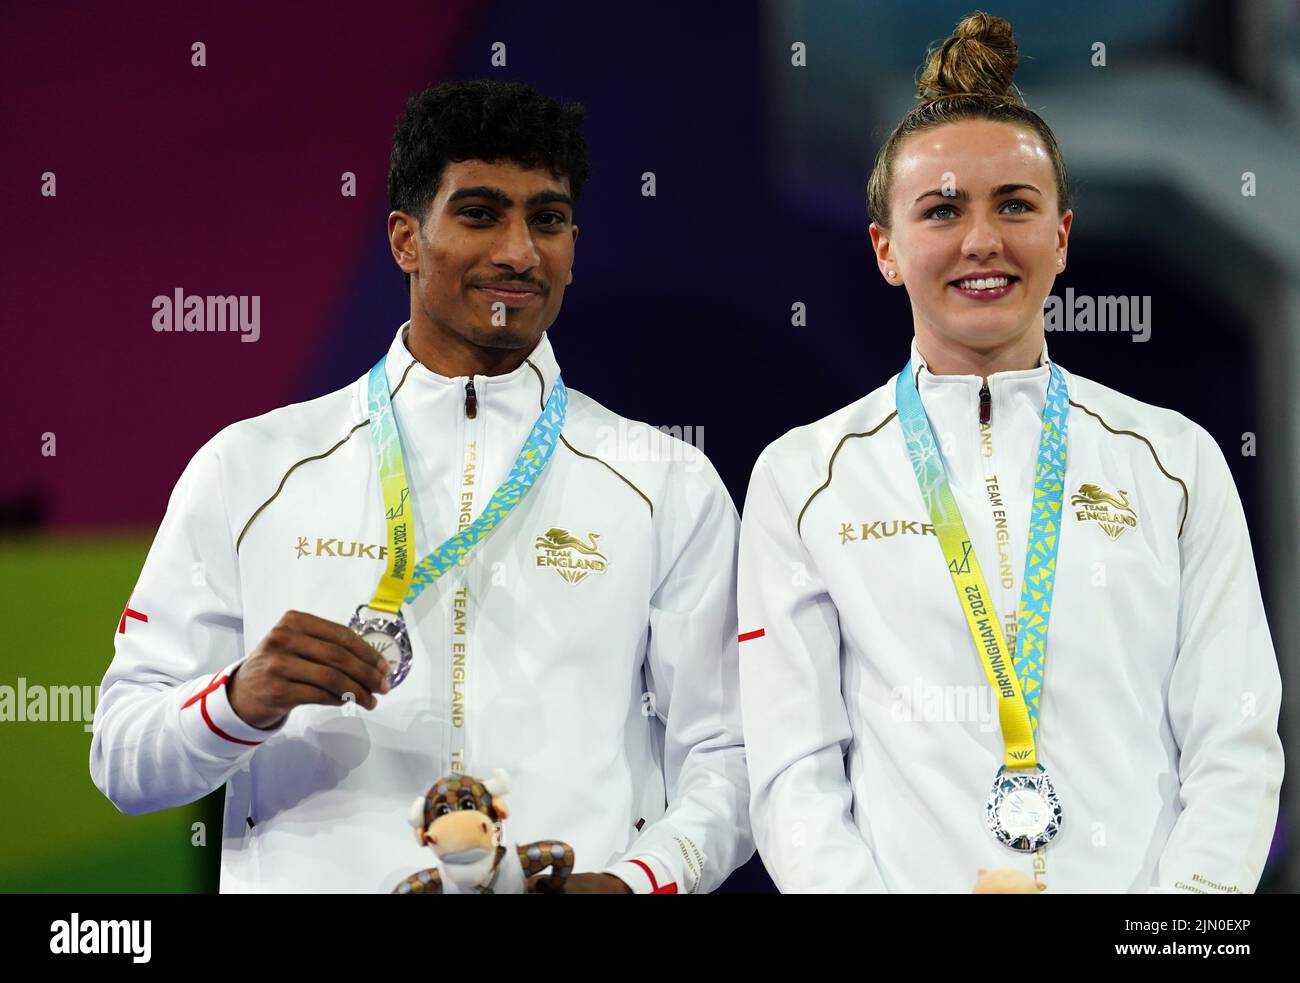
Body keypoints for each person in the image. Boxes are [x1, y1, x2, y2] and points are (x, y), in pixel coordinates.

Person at [90, 79, 752, 894]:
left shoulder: (664, 482)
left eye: (546, 219)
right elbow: (121, 757)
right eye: (479, 214)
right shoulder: (251, 467)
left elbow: (731, 758)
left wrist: (638, 882)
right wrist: (238, 700)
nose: (519, 252)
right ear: (406, 239)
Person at [738, 12, 1283, 893]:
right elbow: (793, 774)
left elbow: (1235, 740)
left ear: (1061, 237)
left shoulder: (1174, 462)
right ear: (887, 247)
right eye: (943, 209)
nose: (981, 241)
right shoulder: (804, 477)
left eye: (1015, 206)